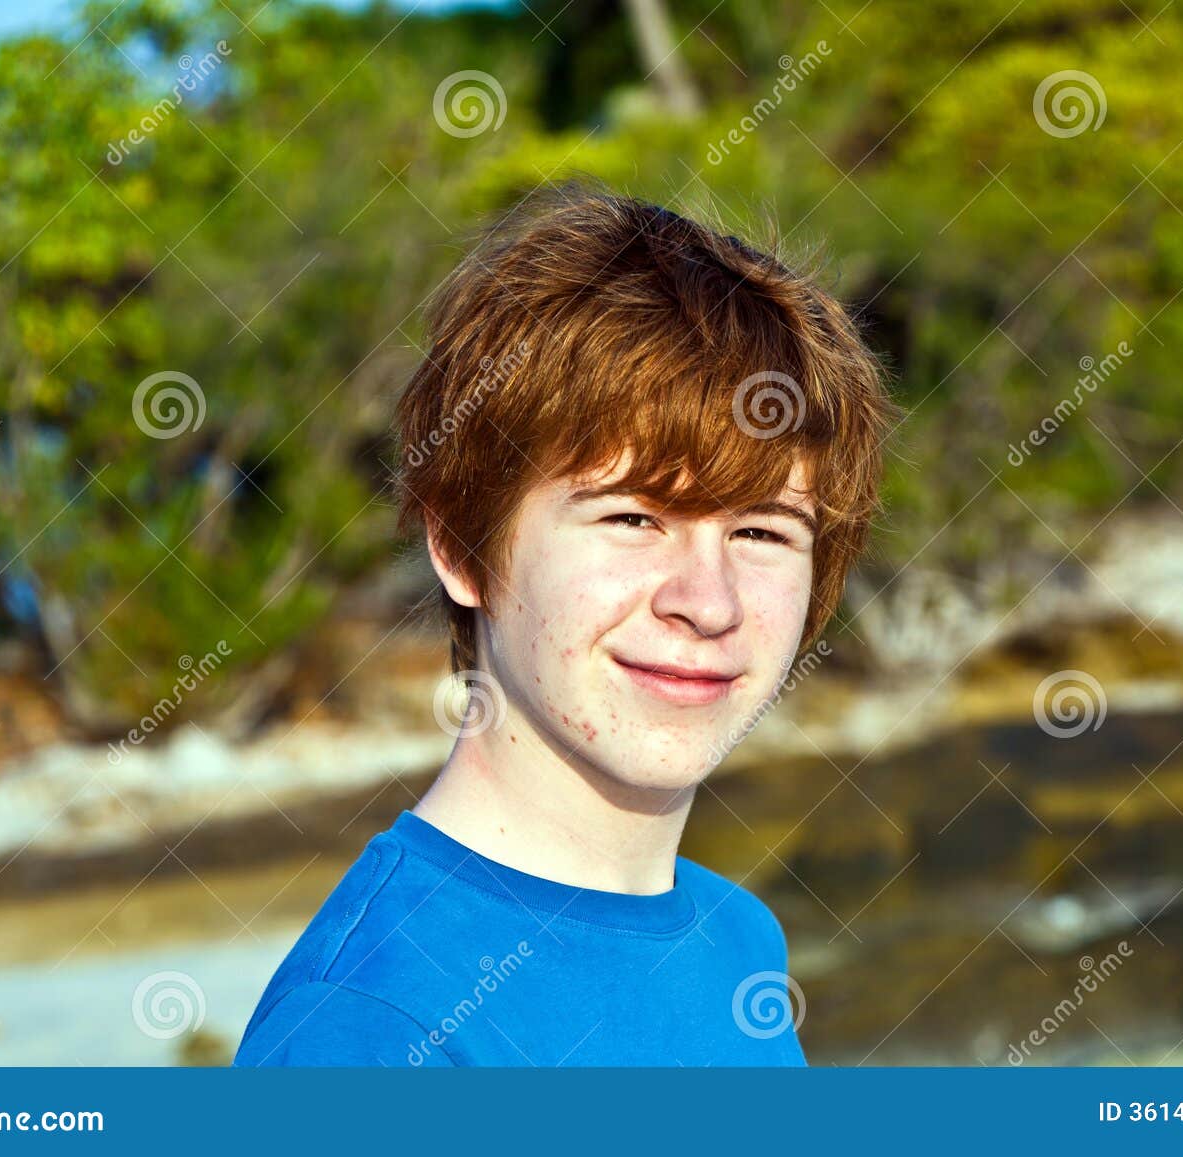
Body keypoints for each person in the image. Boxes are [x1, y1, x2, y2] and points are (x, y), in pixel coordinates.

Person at [233, 185, 895, 1066]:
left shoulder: (737, 940)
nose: (710, 602)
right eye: (633, 518)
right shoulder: (368, 1028)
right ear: (461, 547)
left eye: (761, 532)